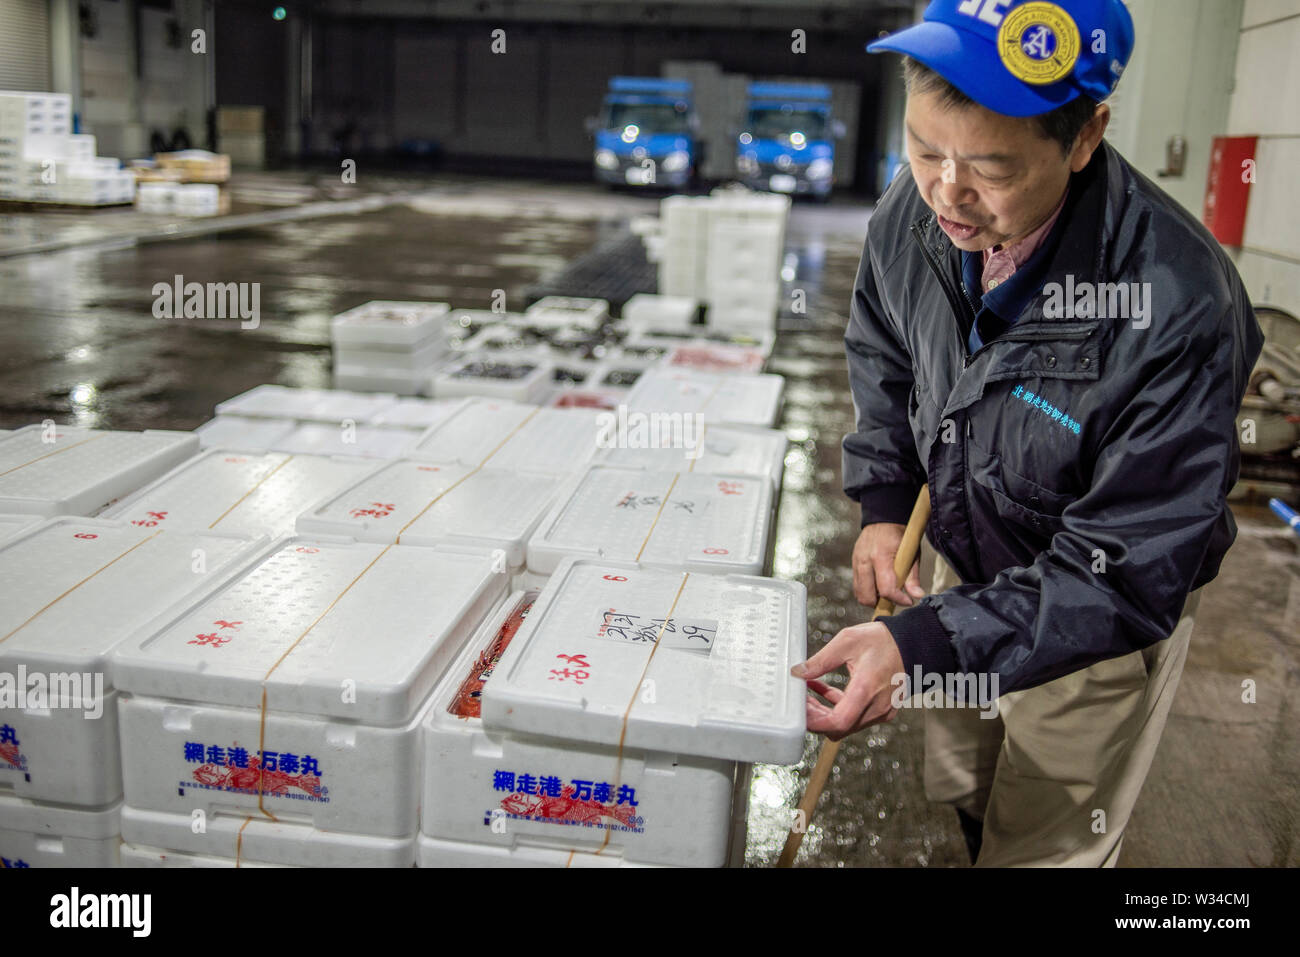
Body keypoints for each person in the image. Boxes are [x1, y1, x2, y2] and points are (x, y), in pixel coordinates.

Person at [792, 0, 1265, 866]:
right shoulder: (915, 214)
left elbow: (1127, 567)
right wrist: (888, 500)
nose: (946, 192)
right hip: (962, 552)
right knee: (966, 780)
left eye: (989, 170)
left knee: (1046, 833)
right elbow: (885, 348)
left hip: (1093, 613)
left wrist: (923, 644)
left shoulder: (1177, 306)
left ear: (1085, 138)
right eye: (925, 149)